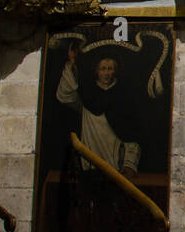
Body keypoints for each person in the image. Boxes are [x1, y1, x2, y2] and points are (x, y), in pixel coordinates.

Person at [57, 43, 142, 177]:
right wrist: (71, 63)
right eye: (103, 69)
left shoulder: (123, 97)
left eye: (110, 69)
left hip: (115, 165)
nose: (107, 73)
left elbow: (130, 135)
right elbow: (65, 94)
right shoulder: (87, 94)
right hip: (90, 164)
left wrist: (129, 164)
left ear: (115, 71)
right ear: (97, 70)